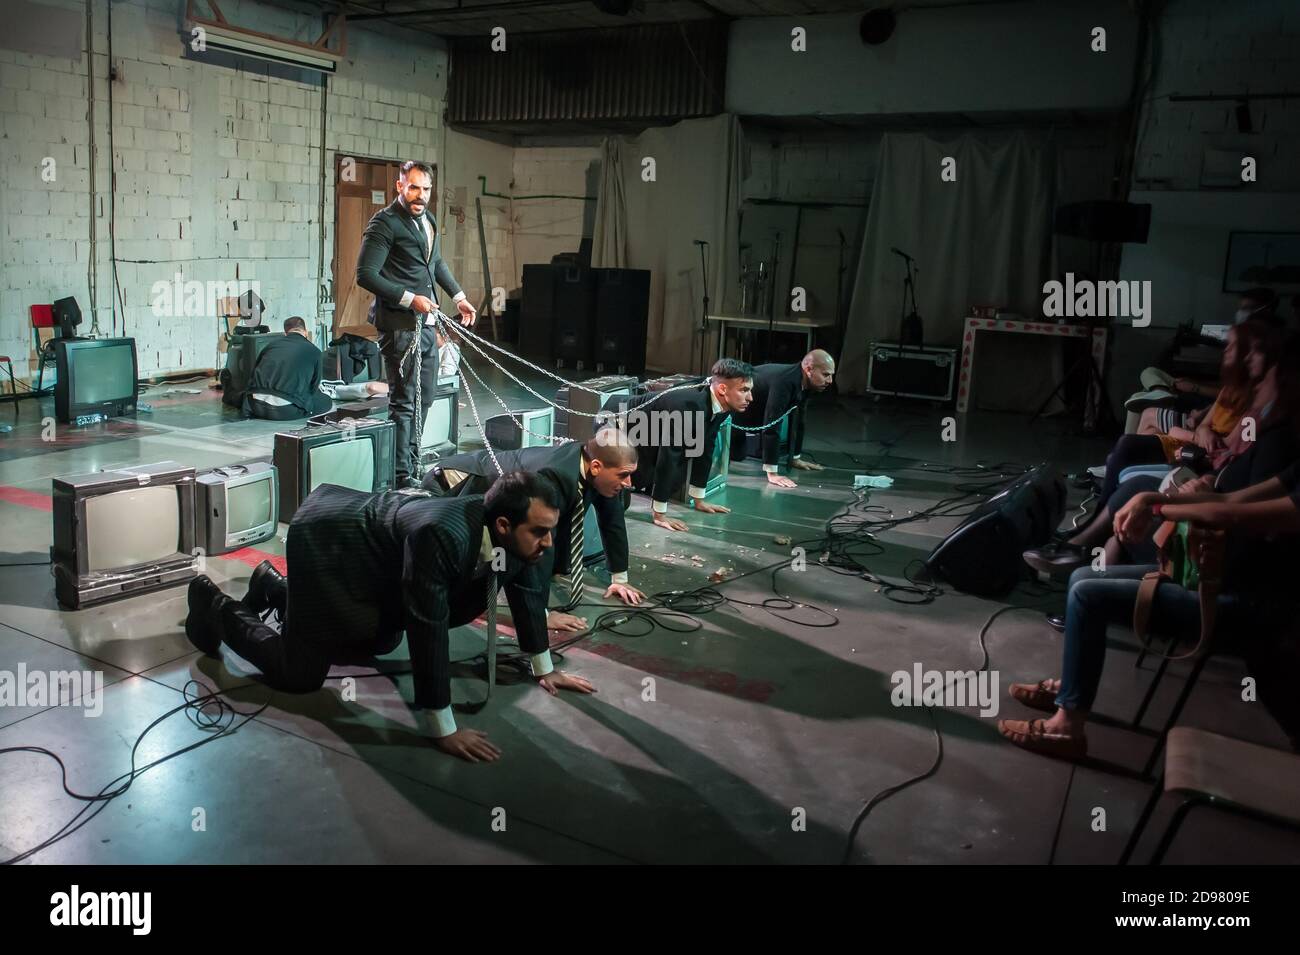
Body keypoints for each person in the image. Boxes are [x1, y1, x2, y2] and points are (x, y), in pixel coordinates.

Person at [183, 471, 595, 763]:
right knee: (299, 674)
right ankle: (213, 604)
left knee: (379, 641)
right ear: (504, 525)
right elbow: (427, 624)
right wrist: (442, 728)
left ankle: (274, 587)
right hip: (327, 541)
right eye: (540, 532)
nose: (549, 542)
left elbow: (525, 590)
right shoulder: (444, 534)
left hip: (370, 564)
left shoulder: (520, 539)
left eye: (550, 531)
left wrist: (543, 668)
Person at [999, 460, 1300, 759]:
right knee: (1083, 578)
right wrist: (1150, 498)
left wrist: (1154, 508)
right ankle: (1071, 691)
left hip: (1248, 609)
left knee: (1089, 595)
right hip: (1215, 580)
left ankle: (1066, 728)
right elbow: (1228, 499)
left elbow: (1229, 514)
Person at [1024, 320, 1279, 577]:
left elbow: (1233, 468)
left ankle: (1081, 553)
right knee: (1129, 463)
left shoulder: (1266, 423)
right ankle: (1083, 555)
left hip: (1205, 479)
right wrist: (1203, 436)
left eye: (1253, 351)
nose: (1242, 356)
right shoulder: (1255, 409)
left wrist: (1205, 475)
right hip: (1205, 469)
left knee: (1133, 484)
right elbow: (1228, 451)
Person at [355, 160, 477, 488]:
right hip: (398, 325)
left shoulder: (429, 220)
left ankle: (412, 458)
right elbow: (366, 274)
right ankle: (401, 476)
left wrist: (459, 295)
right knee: (405, 400)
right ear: (400, 187)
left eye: (425, 189)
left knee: (427, 394)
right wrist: (410, 298)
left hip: (425, 324)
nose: (419, 195)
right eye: (413, 188)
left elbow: (434, 262)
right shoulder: (385, 223)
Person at [425, 432, 642, 610]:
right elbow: (539, 544)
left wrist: (619, 580)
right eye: (624, 475)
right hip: (456, 481)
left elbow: (613, 521)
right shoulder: (555, 475)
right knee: (465, 561)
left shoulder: (599, 470)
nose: (629, 483)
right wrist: (542, 614)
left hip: (492, 482)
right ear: (596, 467)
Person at [603, 357, 754, 531]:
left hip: (645, 431)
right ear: (722, 389)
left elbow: (706, 447)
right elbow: (669, 456)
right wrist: (659, 515)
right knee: (621, 491)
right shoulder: (689, 405)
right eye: (744, 390)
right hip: (614, 421)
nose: (750, 397)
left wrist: (699, 499)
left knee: (654, 472)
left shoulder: (722, 404)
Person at [729, 349, 836, 489]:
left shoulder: (806, 382)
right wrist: (772, 472)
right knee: (735, 456)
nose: (830, 381)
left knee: (739, 454)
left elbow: (799, 420)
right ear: (809, 369)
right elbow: (772, 424)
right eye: (826, 375)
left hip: (753, 412)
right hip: (735, 414)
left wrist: (795, 458)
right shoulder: (785, 381)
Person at [241, 316, 332, 420]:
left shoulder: (270, 346)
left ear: (285, 333)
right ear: (306, 332)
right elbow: (313, 387)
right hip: (283, 410)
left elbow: (253, 375)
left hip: (255, 405)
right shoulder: (314, 351)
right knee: (325, 400)